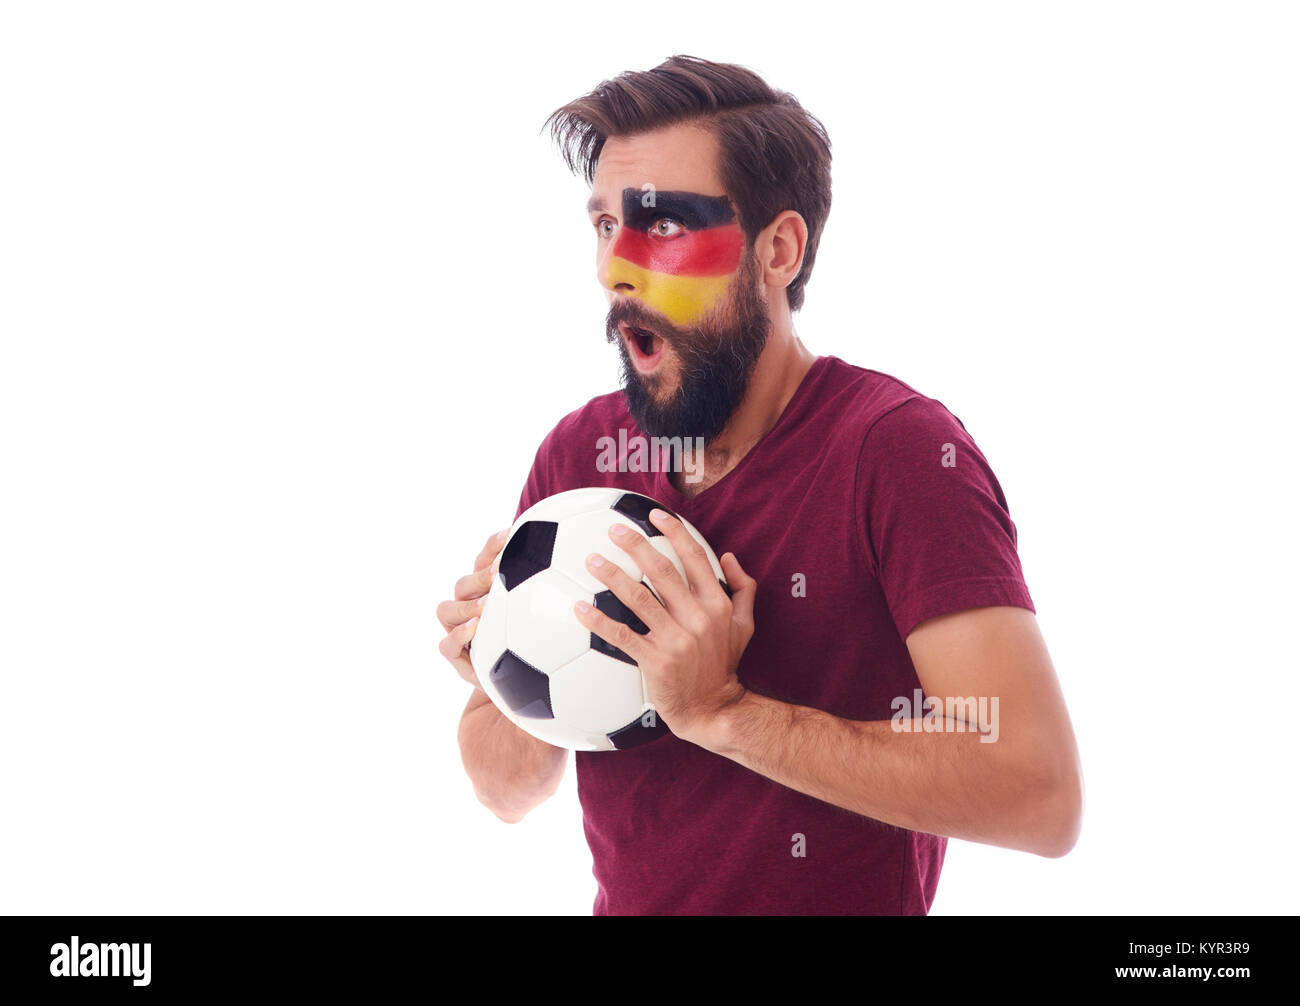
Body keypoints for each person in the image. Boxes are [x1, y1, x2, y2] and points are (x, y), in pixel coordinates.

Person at [437, 54, 1082, 915]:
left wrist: (724, 712)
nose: (614, 271)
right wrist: (502, 664)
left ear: (778, 250)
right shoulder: (579, 458)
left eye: (661, 227)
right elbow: (504, 792)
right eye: (602, 227)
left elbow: (1038, 794)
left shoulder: (896, 453)